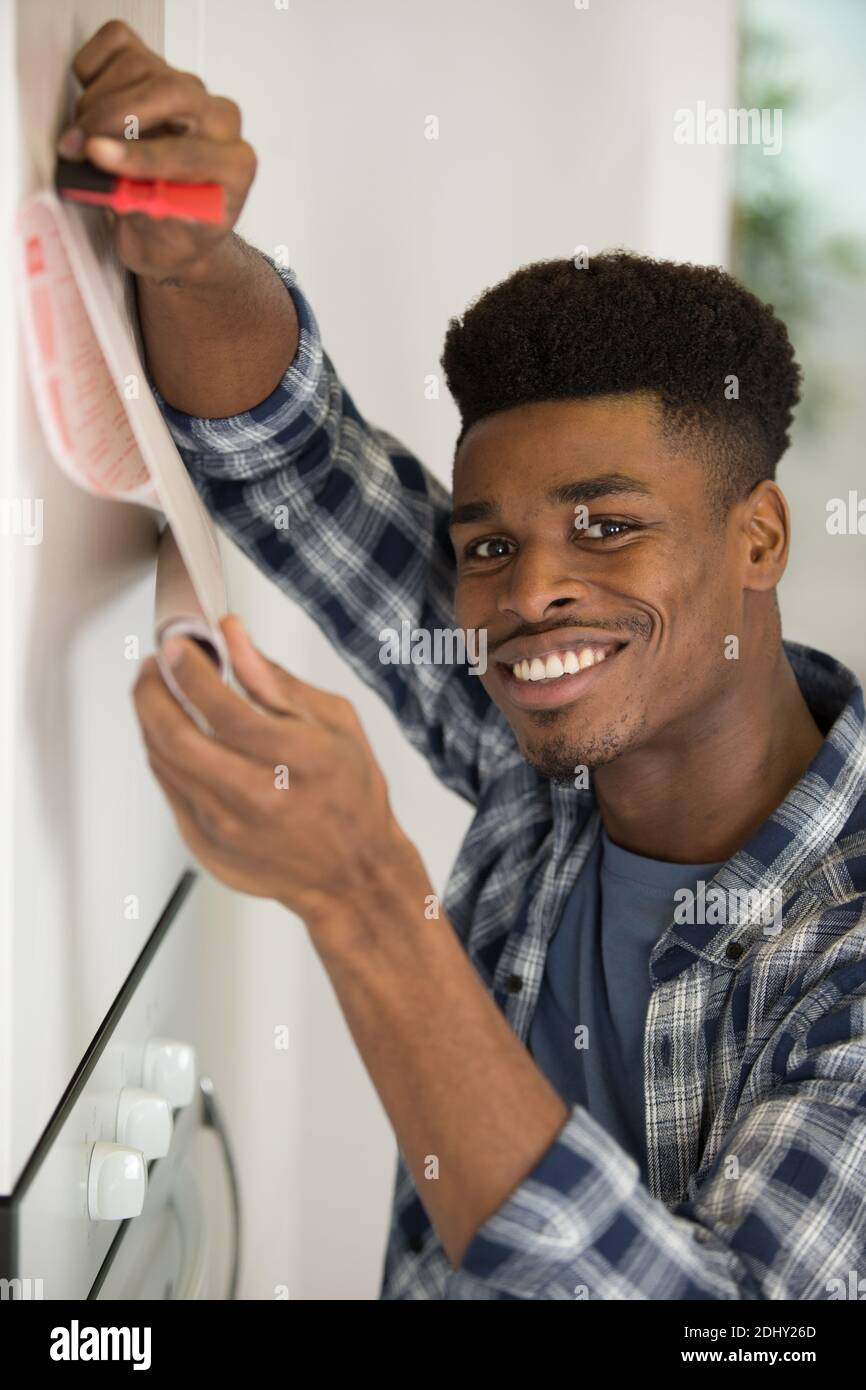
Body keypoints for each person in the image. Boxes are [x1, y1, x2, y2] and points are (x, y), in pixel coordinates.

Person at [62, 21, 866, 1300]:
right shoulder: (547, 734)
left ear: (756, 535)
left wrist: (367, 894)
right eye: (488, 544)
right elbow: (294, 466)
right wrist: (197, 256)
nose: (531, 591)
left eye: (605, 526)